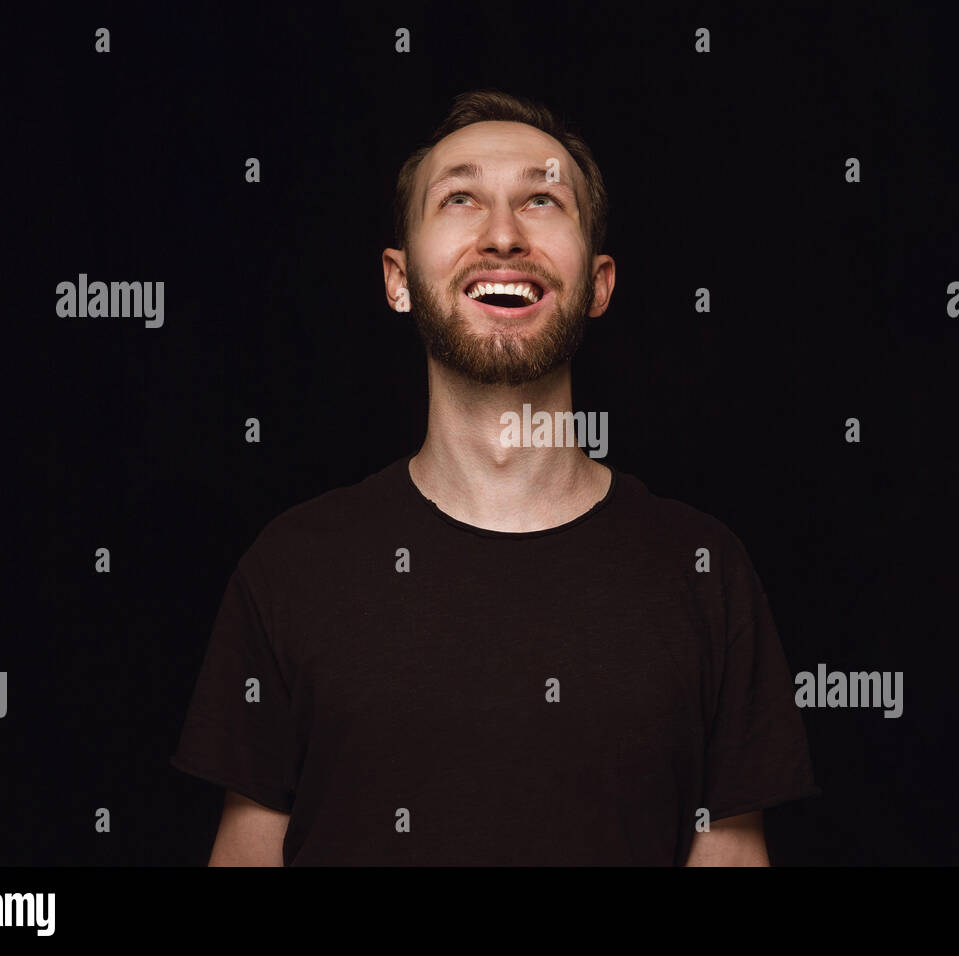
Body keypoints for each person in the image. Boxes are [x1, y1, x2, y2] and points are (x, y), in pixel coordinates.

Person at [171, 89, 819, 866]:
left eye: (542, 199)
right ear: (398, 277)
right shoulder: (290, 567)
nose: (503, 235)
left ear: (600, 284)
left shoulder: (705, 571)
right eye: (461, 199)